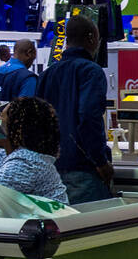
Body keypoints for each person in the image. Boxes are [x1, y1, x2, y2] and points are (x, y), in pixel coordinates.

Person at [37, 14, 113, 204]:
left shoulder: (47, 74)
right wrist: (101, 161)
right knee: (89, 229)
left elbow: (36, 120)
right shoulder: (91, 71)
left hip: (50, 168)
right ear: (91, 38)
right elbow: (88, 117)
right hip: (83, 169)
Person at [0, 96, 69, 203]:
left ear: (17, 127)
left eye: (1, 117)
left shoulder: (26, 162)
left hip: (48, 219)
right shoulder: (8, 154)